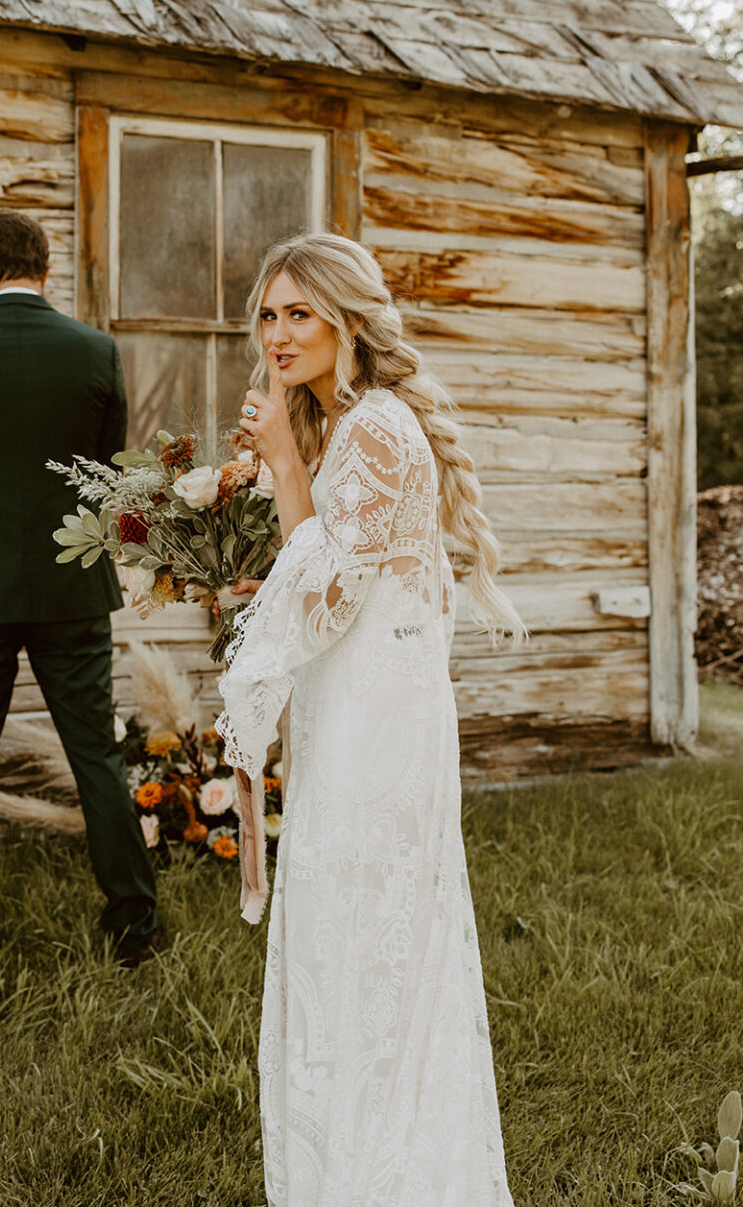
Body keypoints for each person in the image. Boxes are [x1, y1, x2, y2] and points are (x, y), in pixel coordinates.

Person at [216, 232, 523, 1206]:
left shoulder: (376, 431)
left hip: (375, 731)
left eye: (298, 312)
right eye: (267, 315)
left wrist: (279, 464)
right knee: (347, 937)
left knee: (365, 939)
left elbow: (322, 600)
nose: (276, 333)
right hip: (357, 708)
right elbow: (324, 570)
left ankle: (381, 1171)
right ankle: (351, 1156)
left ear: (348, 321)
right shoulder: (356, 428)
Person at [0, 209, 160, 974]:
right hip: (72, 589)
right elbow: (110, 476)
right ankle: (135, 930)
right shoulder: (93, 351)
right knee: (96, 759)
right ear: (47, 270)